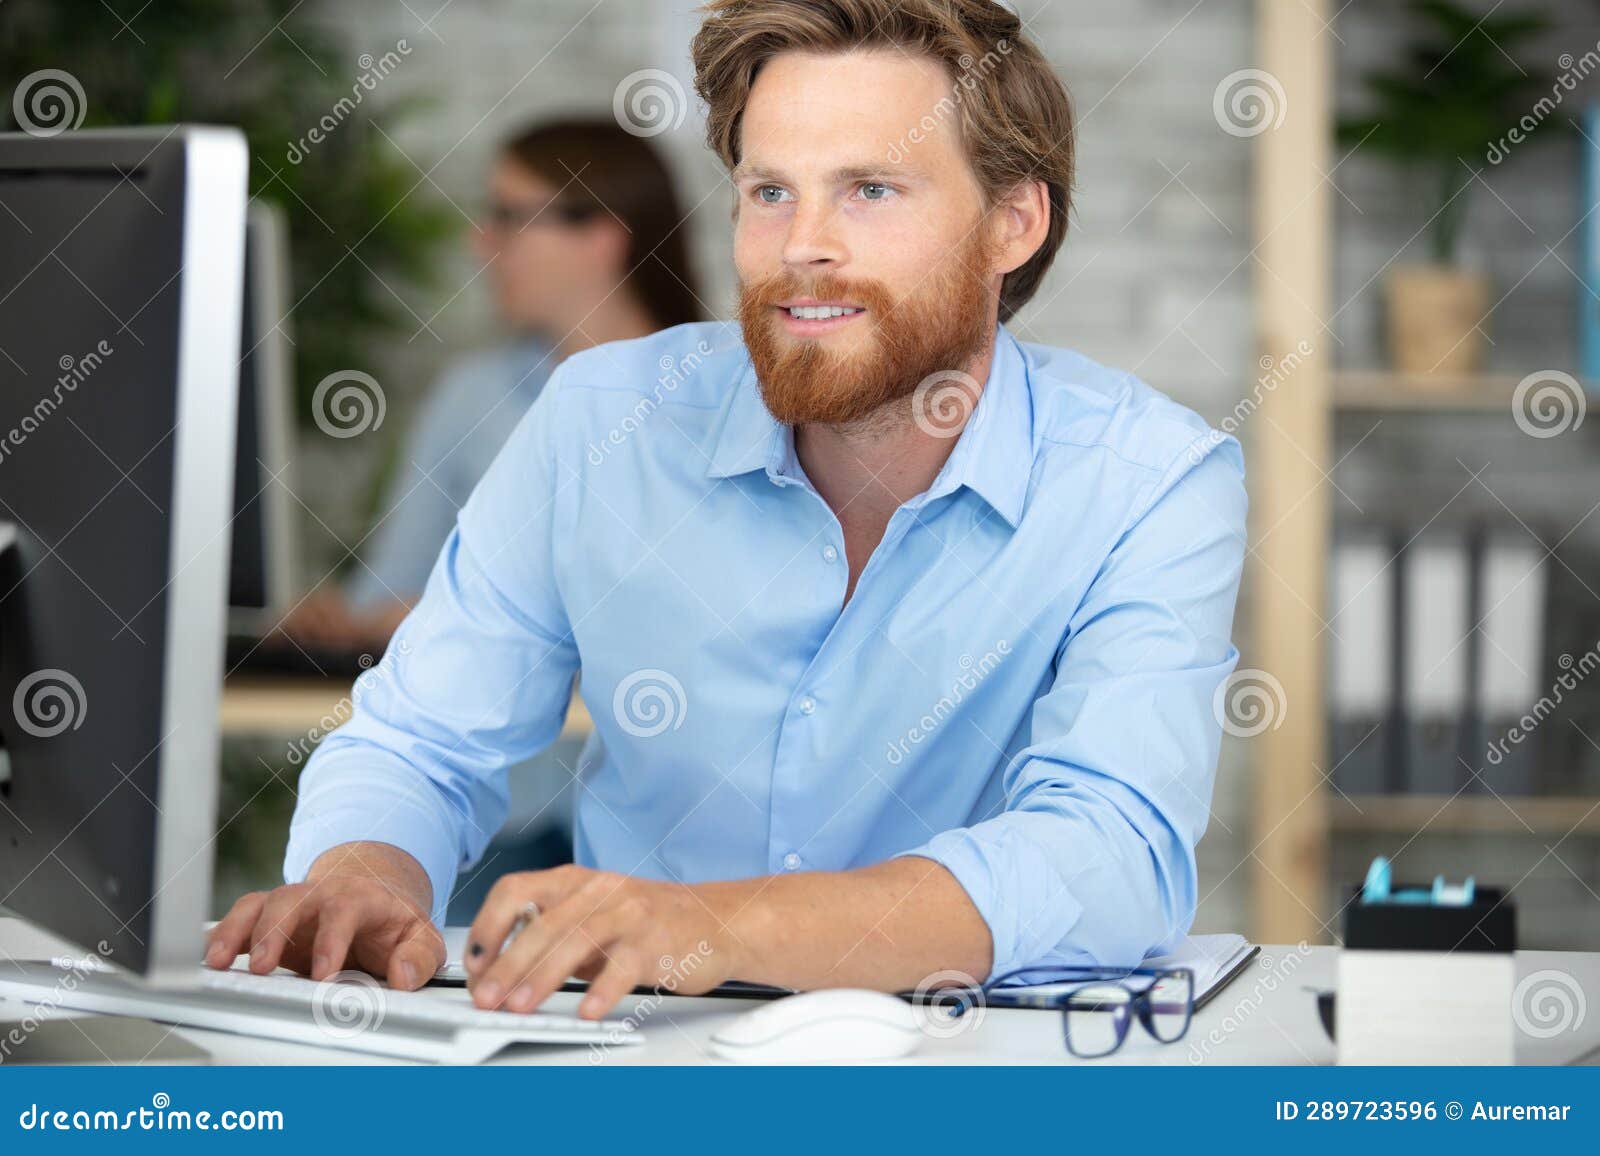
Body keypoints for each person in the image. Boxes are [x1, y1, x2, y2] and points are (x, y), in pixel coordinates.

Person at [209, 0, 1248, 1023]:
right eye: (769, 192)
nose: (803, 245)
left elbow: (1109, 850)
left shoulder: (1147, 479)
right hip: (629, 1060)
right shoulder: (598, 421)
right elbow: (423, 742)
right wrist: (366, 879)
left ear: (1011, 222)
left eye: (871, 190)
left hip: (969, 1066)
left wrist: (707, 927)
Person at [277, 118, 705, 651]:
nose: (480, 243)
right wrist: (337, 626)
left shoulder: (713, 398)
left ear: (601, 239)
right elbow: (387, 595)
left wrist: (461, 616)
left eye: (509, 216)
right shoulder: (473, 394)